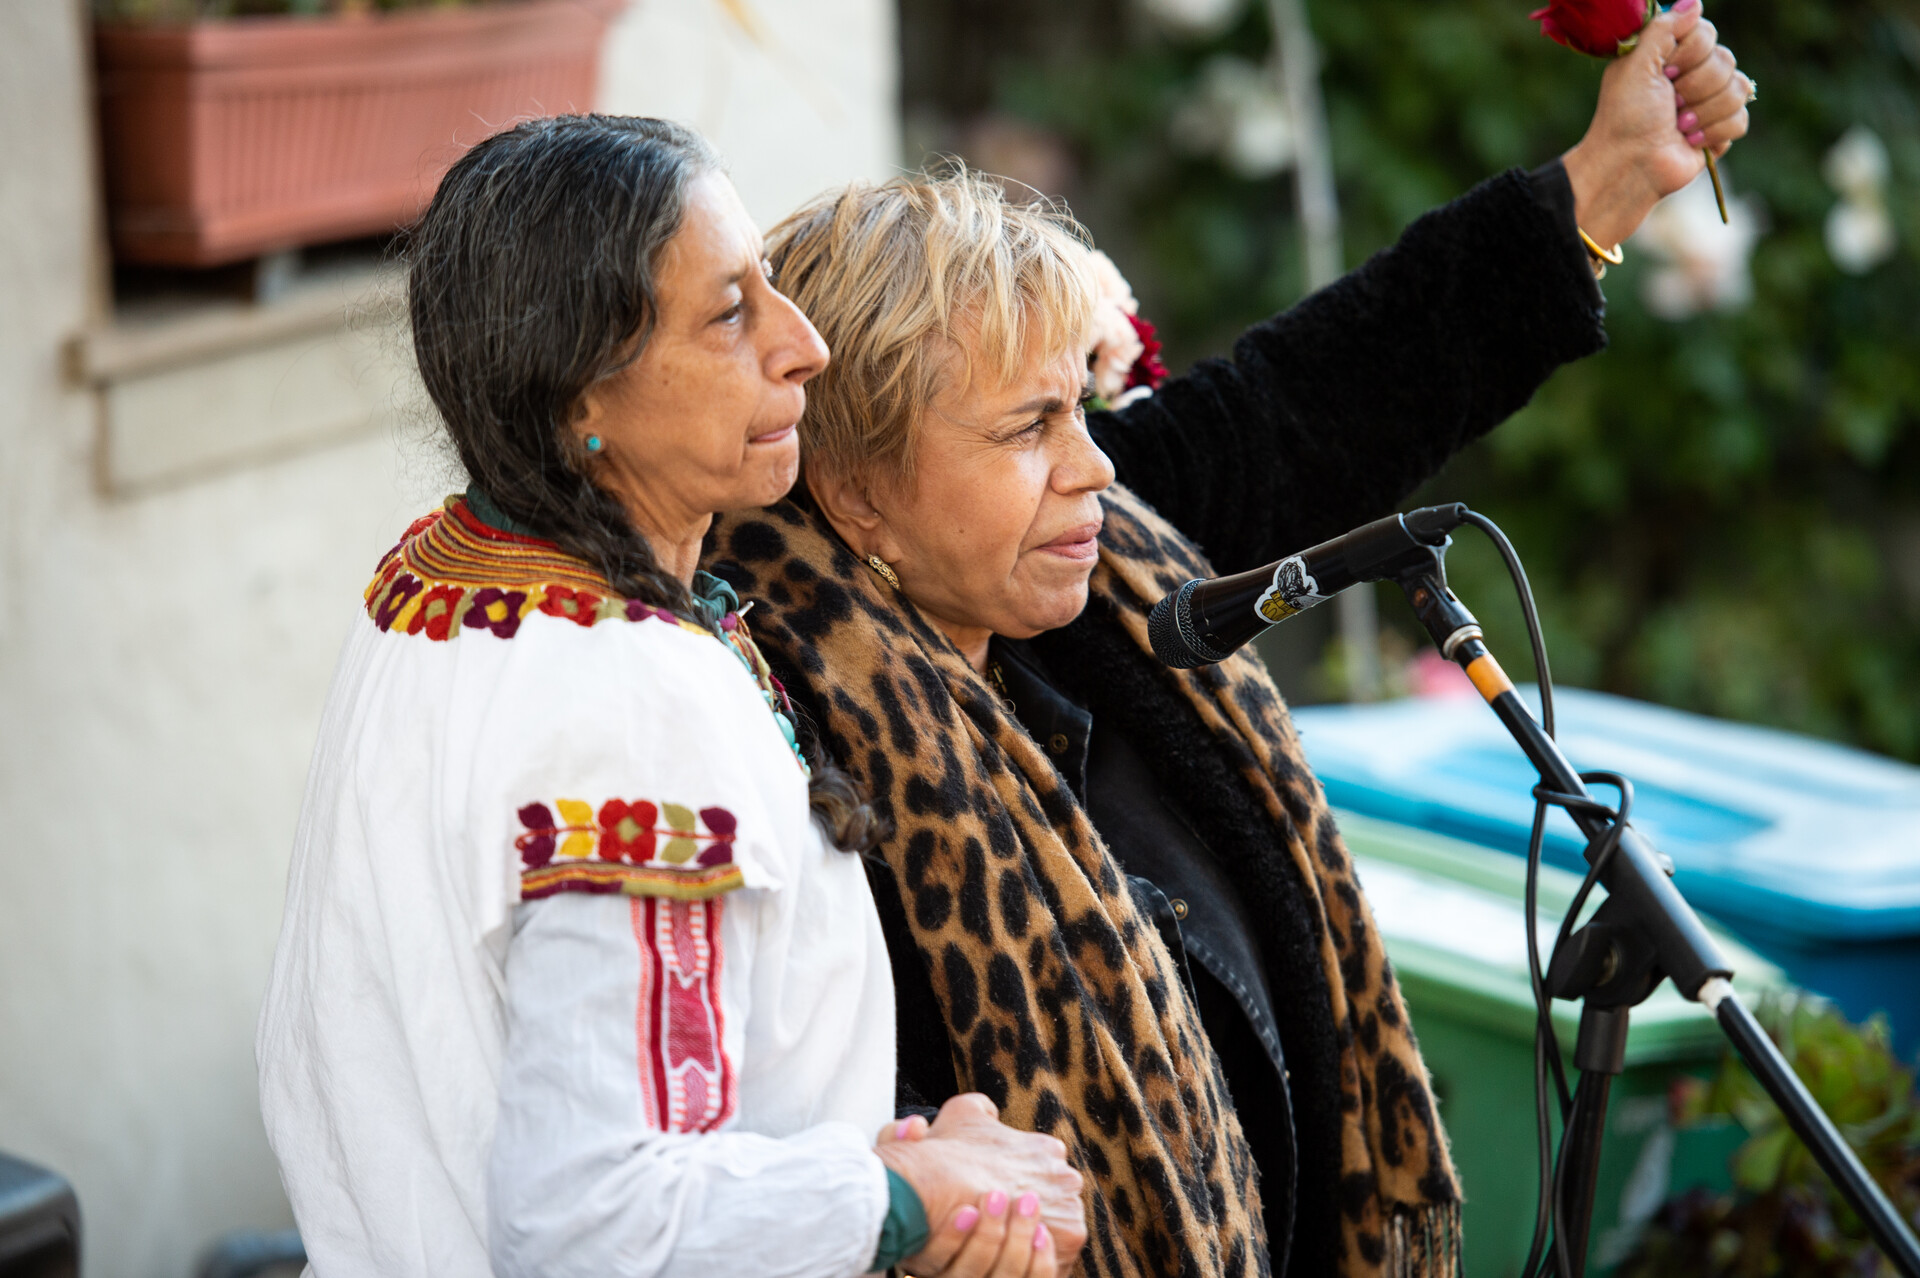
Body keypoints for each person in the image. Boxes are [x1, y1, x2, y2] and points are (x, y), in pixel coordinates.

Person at [704, 6, 1752, 1277]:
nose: (1096, 465)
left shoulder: (1095, 577)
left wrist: (1613, 177)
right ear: (858, 485)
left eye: (1078, 409)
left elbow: (1313, 399)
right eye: (1028, 426)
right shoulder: (772, 750)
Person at [255, 116, 1087, 1278]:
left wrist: (879, 1166)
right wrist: (905, 1194)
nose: (804, 348)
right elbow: (596, 1220)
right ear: (582, 387)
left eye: (768, 290)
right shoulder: (629, 700)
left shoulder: (442, 577)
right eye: (729, 314)